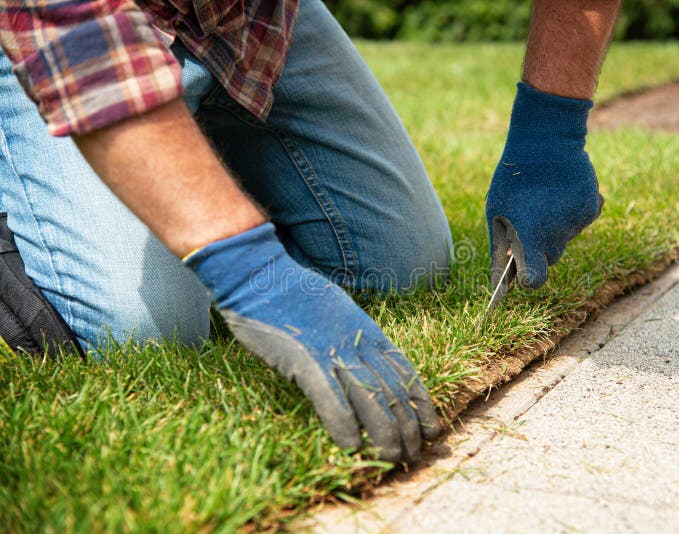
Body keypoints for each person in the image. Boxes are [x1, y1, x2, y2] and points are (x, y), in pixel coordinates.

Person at [0, 0, 620, 462]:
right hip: (63, 33)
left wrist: (550, 130)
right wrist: (246, 268)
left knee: (405, 270)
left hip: (250, 19)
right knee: (145, 333)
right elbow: (72, 27)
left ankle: (184, 153)